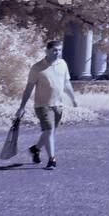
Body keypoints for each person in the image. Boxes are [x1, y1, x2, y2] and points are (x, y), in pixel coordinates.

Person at [15, 40, 78, 170]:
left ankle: (36, 149)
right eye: (55, 50)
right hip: (42, 105)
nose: (57, 53)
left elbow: (66, 83)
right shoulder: (37, 68)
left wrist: (73, 99)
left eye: (59, 50)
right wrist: (22, 107)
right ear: (47, 51)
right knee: (49, 131)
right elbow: (29, 88)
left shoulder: (63, 64)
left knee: (49, 132)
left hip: (58, 105)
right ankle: (52, 160)